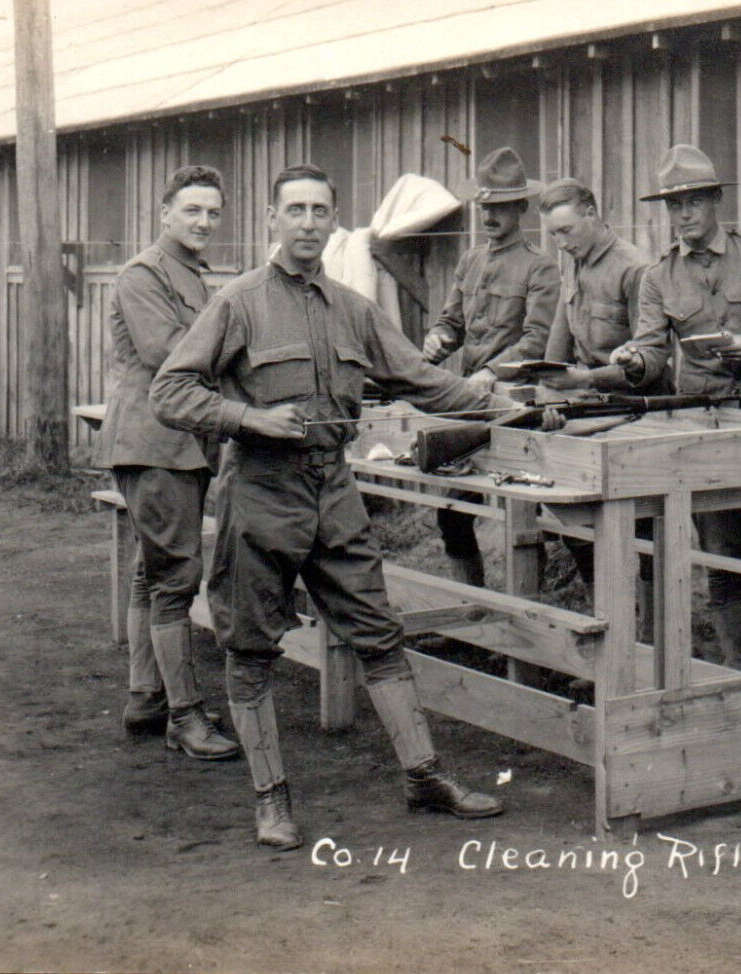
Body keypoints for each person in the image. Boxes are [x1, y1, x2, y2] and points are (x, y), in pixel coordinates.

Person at [151, 164, 508, 851]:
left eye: (320, 210)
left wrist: (497, 402)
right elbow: (170, 391)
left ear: (334, 219)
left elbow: (420, 380)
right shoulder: (238, 304)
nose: (309, 223)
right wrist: (248, 419)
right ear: (272, 220)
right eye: (296, 210)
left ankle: (423, 776)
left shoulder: (353, 308)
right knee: (250, 648)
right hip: (261, 492)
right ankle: (271, 799)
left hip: (334, 491)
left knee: (378, 632)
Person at [612, 144, 741, 669]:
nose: (683, 215)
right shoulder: (658, 277)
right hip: (710, 427)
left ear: (715, 201)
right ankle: (738, 674)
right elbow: (652, 351)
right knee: (722, 561)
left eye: (694, 202)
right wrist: (634, 361)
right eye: (673, 205)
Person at [92, 165, 238, 761]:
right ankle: (185, 715)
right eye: (192, 210)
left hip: (178, 443)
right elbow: (171, 354)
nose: (204, 222)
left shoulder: (196, 276)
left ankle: (147, 697)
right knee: (176, 577)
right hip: (155, 442)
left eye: (213, 212)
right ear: (165, 213)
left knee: (151, 572)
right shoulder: (143, 274)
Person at [420, 147, 560, 589]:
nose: (490, 216)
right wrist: (437, 339)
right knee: (452, 511)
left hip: (515, 405)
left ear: (521, 209)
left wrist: (495, 372)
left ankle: (532, 609)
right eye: (485, 207)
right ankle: (474, 605)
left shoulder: (540, 267)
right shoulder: (471, 260)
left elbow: (536, 341)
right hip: (469, 403)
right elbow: (452, 322)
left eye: (500, 207)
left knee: (528, 510)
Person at [530, 177, 656, 598]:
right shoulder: (573, 261)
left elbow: (649, 364)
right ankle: (603, 605)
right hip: (584, 408)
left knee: (642, 535)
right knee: (568, 510)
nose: (560, 243)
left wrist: (584, 380)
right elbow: (558, 344)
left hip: (632, 414)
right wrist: (547, 390)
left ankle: (646, 620)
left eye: (566, 231)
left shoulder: (634, 269)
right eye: (553, 235)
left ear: (592, 214)